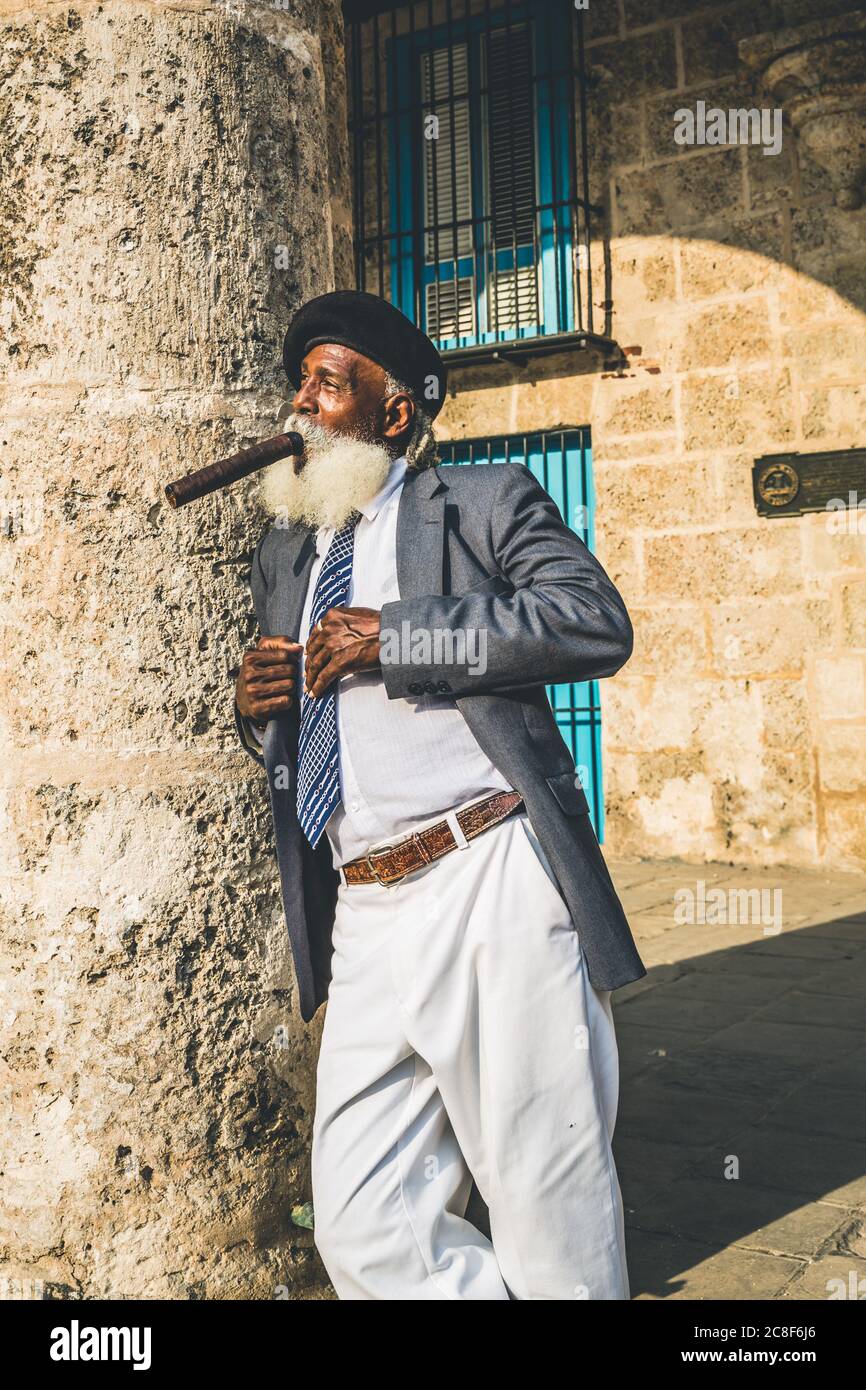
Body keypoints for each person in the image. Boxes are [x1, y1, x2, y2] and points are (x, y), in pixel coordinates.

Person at [234, 288, 646, 1300]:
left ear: (395, 410)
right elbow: (310, 728)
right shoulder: (289, 553)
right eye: (302, 383)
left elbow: (592, 622)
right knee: (362, 1220)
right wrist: (257, 707)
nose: (303, 402)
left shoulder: (481, 501)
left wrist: (400, 635)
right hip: (362, 910)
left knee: (546, 1196)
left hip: (485, 879)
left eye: (329, 383)